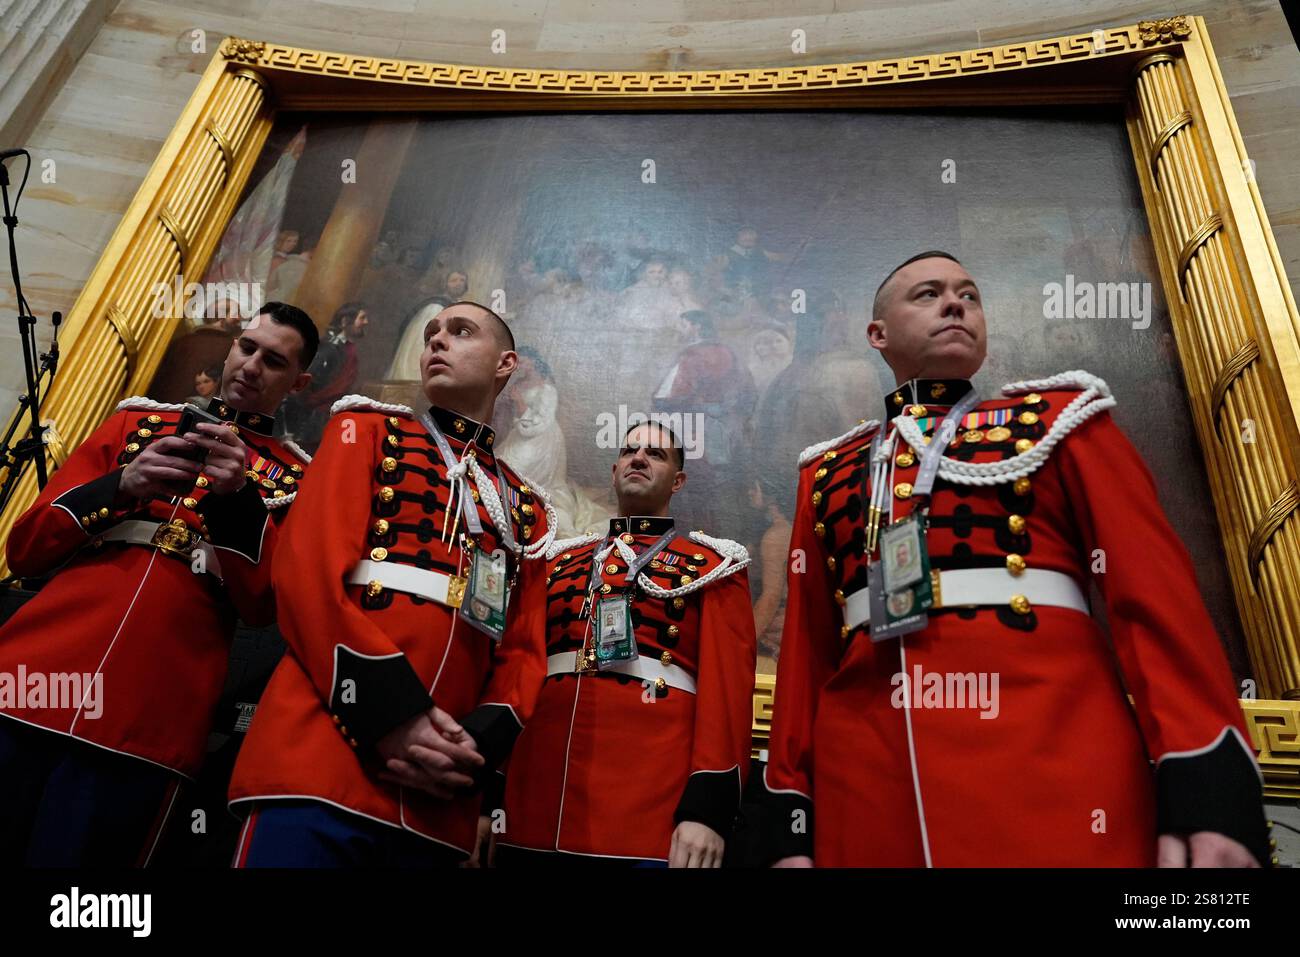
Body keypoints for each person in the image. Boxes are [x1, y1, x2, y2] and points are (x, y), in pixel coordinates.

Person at [764, 251, 1271, 868]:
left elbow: (1154, 602)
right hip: (869, 788)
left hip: (1052, 766)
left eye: (969, 295)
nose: (955, 303)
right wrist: (790, 818)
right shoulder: (827, 472)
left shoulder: (1060, 422)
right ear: (878, 334)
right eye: (928, 294)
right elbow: (807, 653)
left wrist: (1205, 779)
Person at [228, 300, 555, 867]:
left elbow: (525, 649)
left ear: (506, 365)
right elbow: (305, 576)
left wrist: (477, 746)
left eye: (460, 332)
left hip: (436, 794)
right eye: (431, 333)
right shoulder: (366, 430)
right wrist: (389, 713)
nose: (437, 341)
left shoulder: (525, 506)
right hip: (321, 759)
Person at [0, 301, 318, 865]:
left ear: (299, 381)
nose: (250, 366)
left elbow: (265, 605)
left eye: (274, 361)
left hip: (149, 713)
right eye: (247, 347)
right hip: (32, 678)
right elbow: (24, 550)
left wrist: (238, 501)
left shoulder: (300, 479)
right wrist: (124, 483)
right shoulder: (134, 424)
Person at [491, 419, 757, 866]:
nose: (639, 458)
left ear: (678, 481)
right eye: (631, 450)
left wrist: (708, 810)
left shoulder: (713, 566)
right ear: (614, 470)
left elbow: (727, 697)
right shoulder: (556, 562)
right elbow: (514, 675)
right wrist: (491, 792)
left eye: (655, 454)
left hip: (643, 805)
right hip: (535, 797)